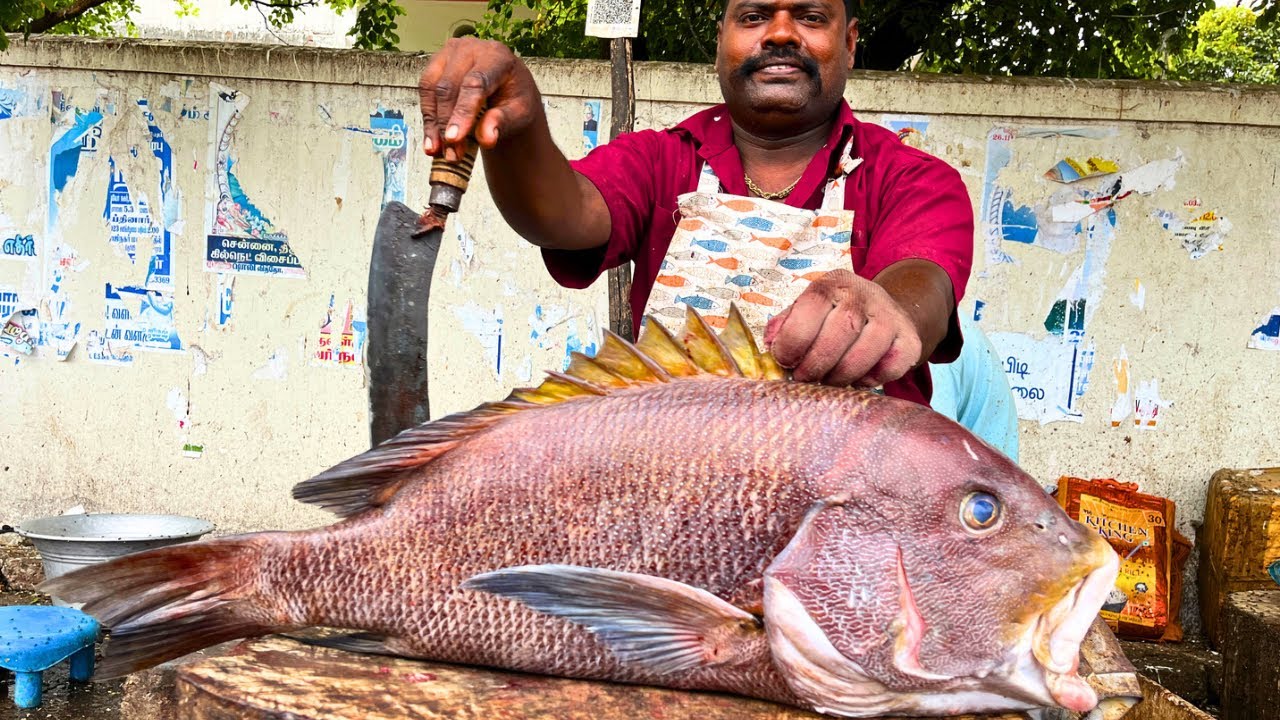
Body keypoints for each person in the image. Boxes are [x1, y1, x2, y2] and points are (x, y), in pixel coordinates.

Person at [418, 0, 974, 410]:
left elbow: (923, 283)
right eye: (755, 17)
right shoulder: (661, 161)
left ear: (850, 42)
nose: (780, 33)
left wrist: (885, 311)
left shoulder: (913, 179)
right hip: (667, 494)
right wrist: (521, 128)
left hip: (844, 518)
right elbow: (563, 216)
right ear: (721, 40)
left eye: (809, 16)